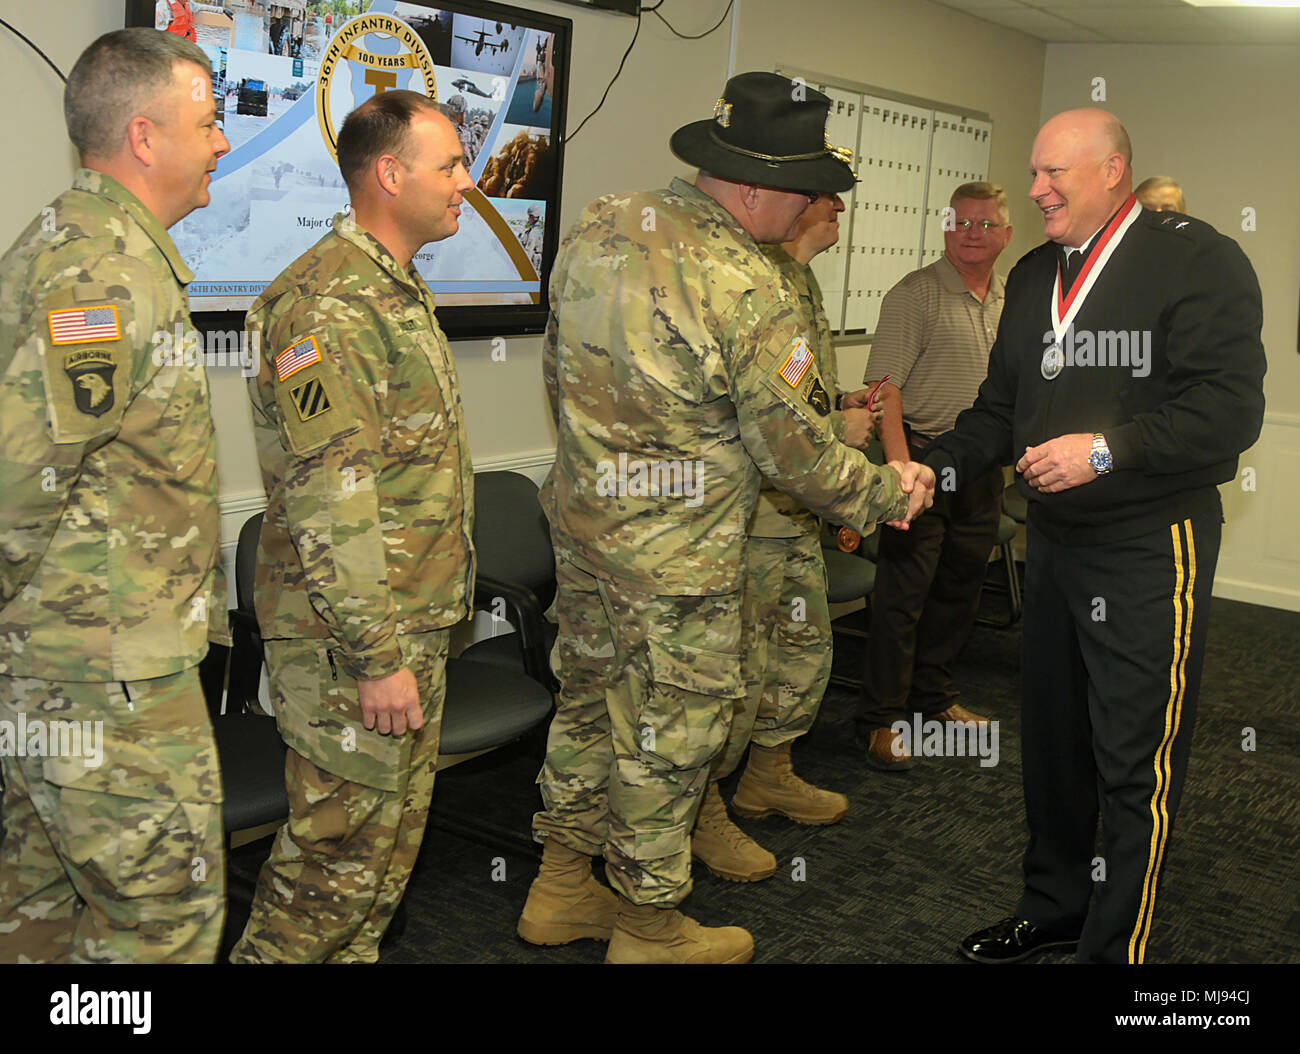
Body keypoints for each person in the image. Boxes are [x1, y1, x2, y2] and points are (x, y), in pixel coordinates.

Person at [518, 72, 935, 964]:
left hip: (589, 531)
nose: (817, 208)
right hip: (680, 558)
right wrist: (887, 492)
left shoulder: (602, 220)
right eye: (809, 191)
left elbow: (559, 373)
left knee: (590, 708)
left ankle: (557, 890)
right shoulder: (751, 283)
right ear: (753, 185)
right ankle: (648, 930)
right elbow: (794, 453)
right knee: (669, 740)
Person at [921, 108, 1265, 964]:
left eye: (1052, 176)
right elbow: (1000, 412)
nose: (1034, 190)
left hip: (1153, 545)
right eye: (1033, 173)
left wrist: (1107, 452)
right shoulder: (1038, 274)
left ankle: (1116, 949)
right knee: (1056, 748)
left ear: (1113, 171)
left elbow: (1229, 411)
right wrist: (936, 471)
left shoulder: (1199, 258)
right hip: (1057, 545)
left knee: (1131, 758)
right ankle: (1057, 905)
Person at [230, 90, 476, 963]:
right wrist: (377, 658)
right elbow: (333, 501)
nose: (465, 182)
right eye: (448, 165)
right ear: (390, 173)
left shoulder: (391, 291)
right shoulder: (328, 307)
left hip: (410, 630)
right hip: (355, 649)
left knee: (379, 864)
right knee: (331, 866)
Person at [0, 27, 229, 963]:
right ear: (144, 137)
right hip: (106, 677)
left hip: (52, 666)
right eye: (209, 122)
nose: (222, 142)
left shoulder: (63, 237)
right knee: (163, 926)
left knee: (40, 916)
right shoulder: (107, 273)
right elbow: (20, 478)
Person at [690, 191, 883, 881]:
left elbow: (798, 394)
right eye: (825, 202)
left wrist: (841, 407)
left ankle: (770, 772)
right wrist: (837, 434)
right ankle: (704, 807)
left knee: (800, 653)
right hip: (754, 518)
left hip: (794, 513)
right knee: (736, 672)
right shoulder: (755, 279)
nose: (836, 213)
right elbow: (762, 418)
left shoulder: (796, 278)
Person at [856, 183, 1014, 770]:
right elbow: (883, 388)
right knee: (902, 601)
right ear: (946, 229)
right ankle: (881, 719)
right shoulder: (914, 294)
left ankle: (934, 701)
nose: (974, 232)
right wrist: (900, 469)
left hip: (979, 470)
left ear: (1006, 234)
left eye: (987, 223)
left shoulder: (1009, 299)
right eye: (963, 222)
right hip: (918, 462)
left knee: (957, 593)